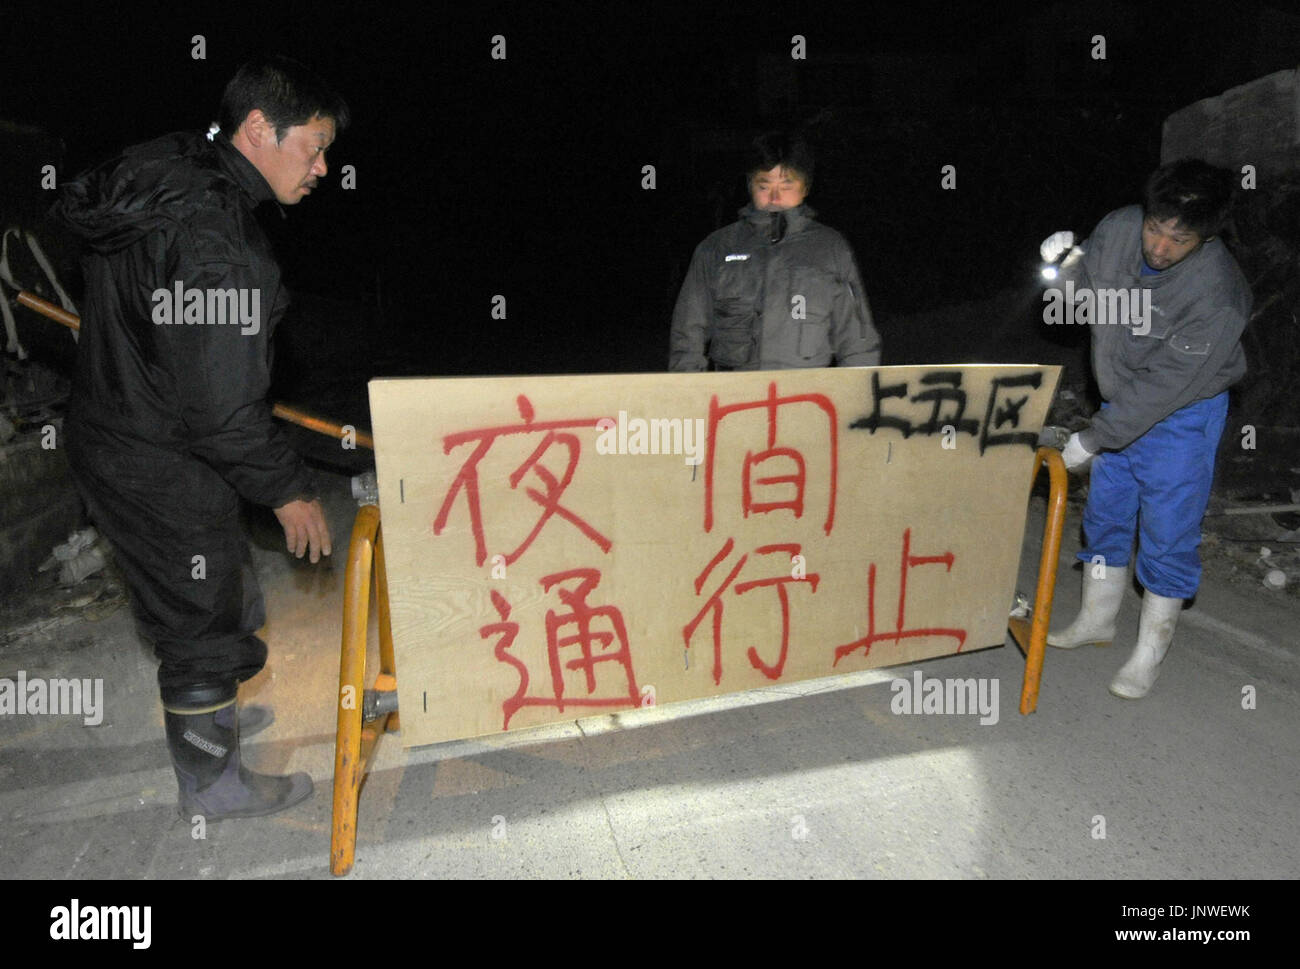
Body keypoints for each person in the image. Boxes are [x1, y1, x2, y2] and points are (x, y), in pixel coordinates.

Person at [53, 55, 348, 819]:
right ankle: (213, 782)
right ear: (259, 129)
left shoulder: (173, 175)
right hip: (160, 452)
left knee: (213, 589)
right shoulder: (219, 245)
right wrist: (287, 490)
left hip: (119, 427)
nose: (323, 168)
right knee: (203, 611)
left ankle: (205, 720)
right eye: (313, 147)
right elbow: (221, 409)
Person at [1041, 159, 1252, 698]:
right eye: (1155, 228)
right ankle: (1097, 621)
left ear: (1205, 239)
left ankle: (1148, 655)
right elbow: (1073, 304)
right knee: (1108, 514)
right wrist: (1063, 266)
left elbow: (1164, 387)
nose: (1158, 248)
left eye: (1178, 240)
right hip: (1118, 403)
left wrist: (1092, 437)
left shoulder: (1218, 295)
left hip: (1182, 416)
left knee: (1167, 531)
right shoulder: (1116, 230)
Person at [669, 132, 881, 372]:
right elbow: (687, 332)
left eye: (787, 185)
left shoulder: (831, 248)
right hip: (736, 396)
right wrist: (688, 391)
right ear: (750, 185)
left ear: (805, 188)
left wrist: (857, 396)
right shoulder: (717, 247)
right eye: (764, 185)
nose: (775, 197)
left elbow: (857, 338)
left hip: (806, 396)